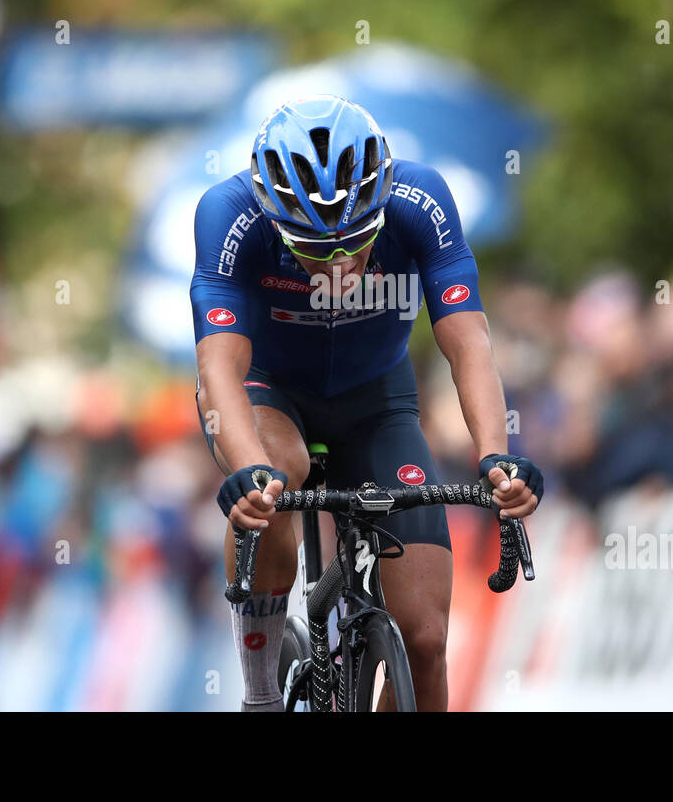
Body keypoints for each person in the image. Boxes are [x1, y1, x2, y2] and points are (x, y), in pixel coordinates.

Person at [189, 95, 543, 711]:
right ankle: (261, 691)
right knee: (279, 475)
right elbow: (219, 363)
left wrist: (495, 457)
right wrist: (247, 468)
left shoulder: (421, 201)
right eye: (311, 248)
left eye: (354, 242)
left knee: (428, 641)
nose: (336, 264)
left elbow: (468, 343)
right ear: (273, 217)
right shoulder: (228, 212)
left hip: (377, 402)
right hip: (266, 393)